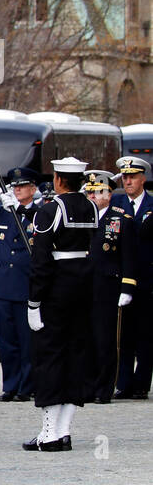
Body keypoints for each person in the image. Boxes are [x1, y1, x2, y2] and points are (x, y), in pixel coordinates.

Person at [24, 157, 97, 451]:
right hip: (82, 289)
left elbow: (41, 261)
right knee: (75, 357)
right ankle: (64, 431)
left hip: (55, 291)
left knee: (50, 358)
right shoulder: (90, 207)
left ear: (57, 180)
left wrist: (33, 301)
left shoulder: (50, 210)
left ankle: (49, 434)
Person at [0, 167, 41, 403]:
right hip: (2, 284)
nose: (17, 190)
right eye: (15, 187)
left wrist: (19, 209)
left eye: (22, 186)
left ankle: (26, 387)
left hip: (25, 283)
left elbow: (41, 232)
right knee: (6, 341)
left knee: (26, 341)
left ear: (33, 189)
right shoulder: (4, 212)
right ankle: (10, 385)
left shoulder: (39, 212)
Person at [85, 170, 136, 404]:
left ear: (109, 194)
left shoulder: (120, 220)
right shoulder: (82, 218)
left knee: (106, 340)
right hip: (84, 286)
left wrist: (127, 287)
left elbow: (129, 257)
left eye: (98, 192)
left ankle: (104, 389)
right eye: (90, 192)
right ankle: (86, 385)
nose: (93, 196)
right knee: (86, 339)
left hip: (108, 286)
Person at [109, 156, 153, 400]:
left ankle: (141, 384)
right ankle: (122, 382)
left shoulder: (152, 206)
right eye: (124, 177)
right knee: (122, 335)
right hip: (121, 279)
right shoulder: (116, 204)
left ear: (143, 179)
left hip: (146, 278)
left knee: (145, 335)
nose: (128, 181)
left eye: (132, 177)